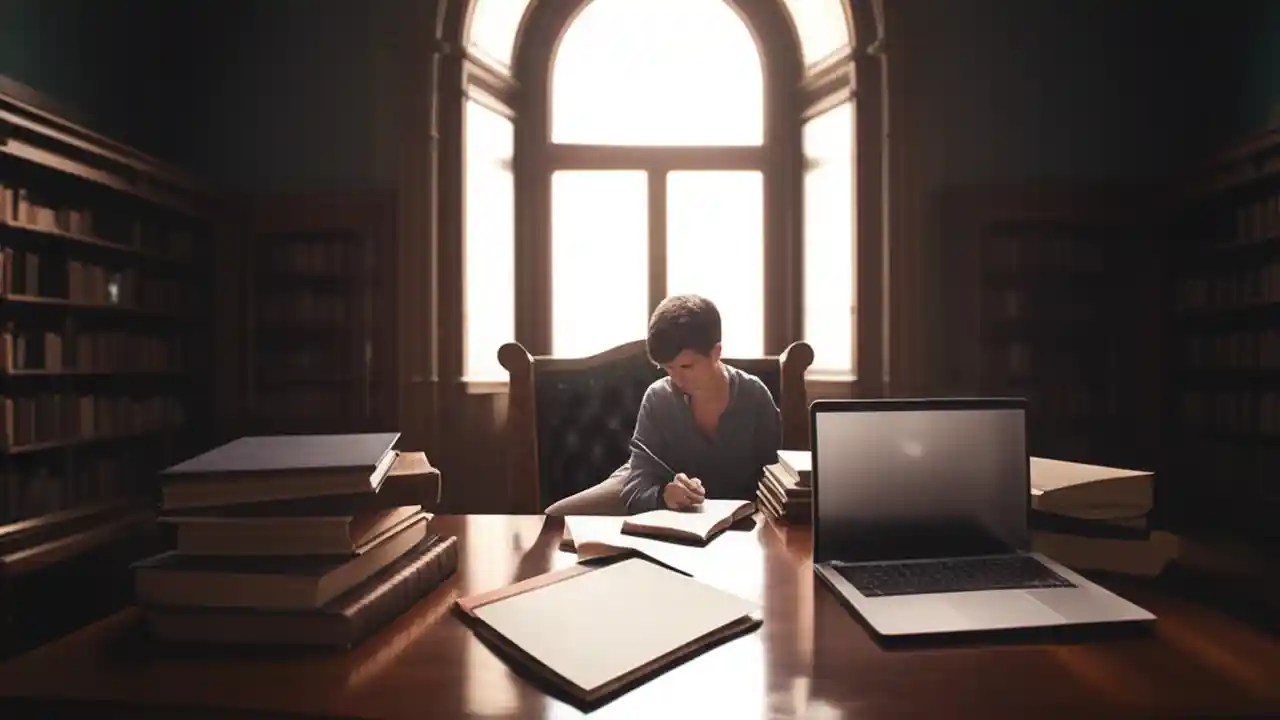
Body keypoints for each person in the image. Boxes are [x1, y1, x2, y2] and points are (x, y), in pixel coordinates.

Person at [543, 294, 781, 515]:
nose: (677, 379)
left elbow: (778, 482)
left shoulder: (754, 396)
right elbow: (637, 483)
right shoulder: (659, 397)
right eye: (667, 368)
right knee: (556, 519)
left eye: (687, 366)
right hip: (654, 485)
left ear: (716, 353)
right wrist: (664, 496)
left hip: (733, 513)